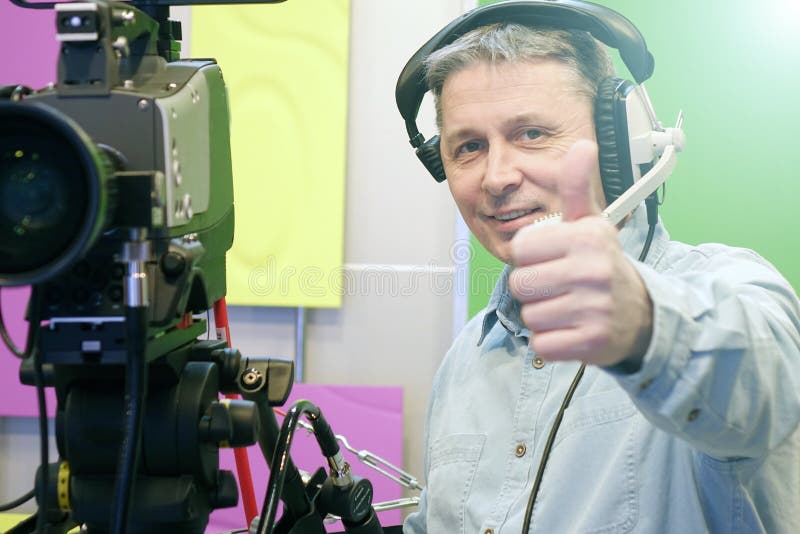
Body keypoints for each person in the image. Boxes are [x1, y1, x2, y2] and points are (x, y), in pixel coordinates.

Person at [397, 4, 800, 534]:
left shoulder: (731, 285)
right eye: (469, 147)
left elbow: (768, 389)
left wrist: (645, 328)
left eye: (532, 134)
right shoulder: (463, 360)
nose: (496, 177)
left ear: (621, 139)